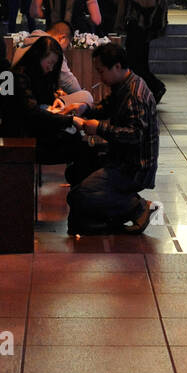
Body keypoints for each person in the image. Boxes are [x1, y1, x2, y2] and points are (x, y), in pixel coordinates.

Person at [58, 42, 159, 236]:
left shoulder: (134, 94)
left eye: (101, 71)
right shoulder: (123, 84)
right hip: (122, 159)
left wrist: (99, 128)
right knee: (76, 172)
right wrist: (84, 109)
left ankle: (137, 207)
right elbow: (106, 107)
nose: (100, 77)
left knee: (80, 195)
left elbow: (135, 135)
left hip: (135, 167)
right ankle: (94, 221)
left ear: (118, 67)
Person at [4, 34, 88, 166]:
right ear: (37, 57)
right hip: (23, 135)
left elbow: (42, 103)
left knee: (78, 140)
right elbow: (31, 113)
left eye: (54, 64)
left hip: (36, 129)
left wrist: (56, 100)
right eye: (49, 63)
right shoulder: (17, 76)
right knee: (77, 143)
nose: (51, 68)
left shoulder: (39, 75)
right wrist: (69, 120)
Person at [11, 21, 95, 108]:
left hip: (38, 106)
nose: (51, 68)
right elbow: (73, 87)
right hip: (37, 109)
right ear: (62, 38)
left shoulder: (22, 46)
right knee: (86, 96)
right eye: (50, 63)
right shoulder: (51, 50)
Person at [115, 0, 164, 92]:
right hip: (132, 28)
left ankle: (156, 88)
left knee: (138, 64)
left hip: (140, 29)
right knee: (135, 63)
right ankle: (149, 89)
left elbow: (150, 3)